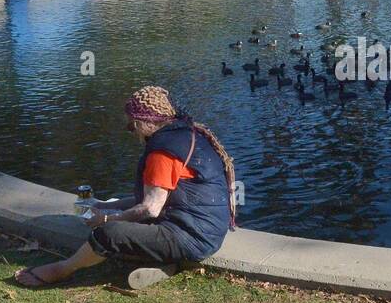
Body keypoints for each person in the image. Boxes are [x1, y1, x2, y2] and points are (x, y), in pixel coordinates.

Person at [15, 85, 236, 287]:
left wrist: (106, 219)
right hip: (207, 232)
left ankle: (63, 269)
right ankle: (161, 260)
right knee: (122, 219)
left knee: (108, 234)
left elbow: (151, 208)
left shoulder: (163, 152)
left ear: (143, 122)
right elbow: (161, 198)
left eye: (131, 125)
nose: (131, 130)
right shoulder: (187, 133)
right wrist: (107, 205)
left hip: (191, 238)